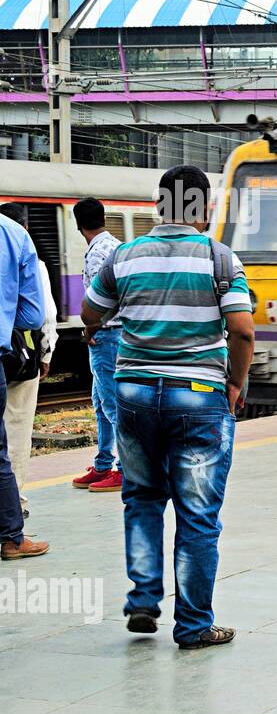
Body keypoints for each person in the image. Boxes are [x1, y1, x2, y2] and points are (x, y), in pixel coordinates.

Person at [81, 164, 255, 649]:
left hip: (134, 394)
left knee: (141, 500)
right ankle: (194, 626)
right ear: (203, 208)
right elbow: (241, 330)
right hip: (198, 397)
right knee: (197, 515)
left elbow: (91, 313)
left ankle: (142, 601)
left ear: (160, 206)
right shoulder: (221, 260)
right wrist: (236, 384)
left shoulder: (125, 255)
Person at [0, 203, 58, 517]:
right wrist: (46, 352)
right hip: (17, 358)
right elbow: (42, 316)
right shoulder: (25, 252)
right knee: (16, 429)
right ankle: (15, 506)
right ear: (25, 226)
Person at [69, 197, 123, 492]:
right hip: (111, 334)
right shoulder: (114, 246)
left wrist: (91, 327)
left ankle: (124, 469)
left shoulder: (97, 254)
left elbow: (103, 300)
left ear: (78, 225)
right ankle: (103, 464)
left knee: (112, 405)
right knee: (101, 404)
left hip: (106, 336)